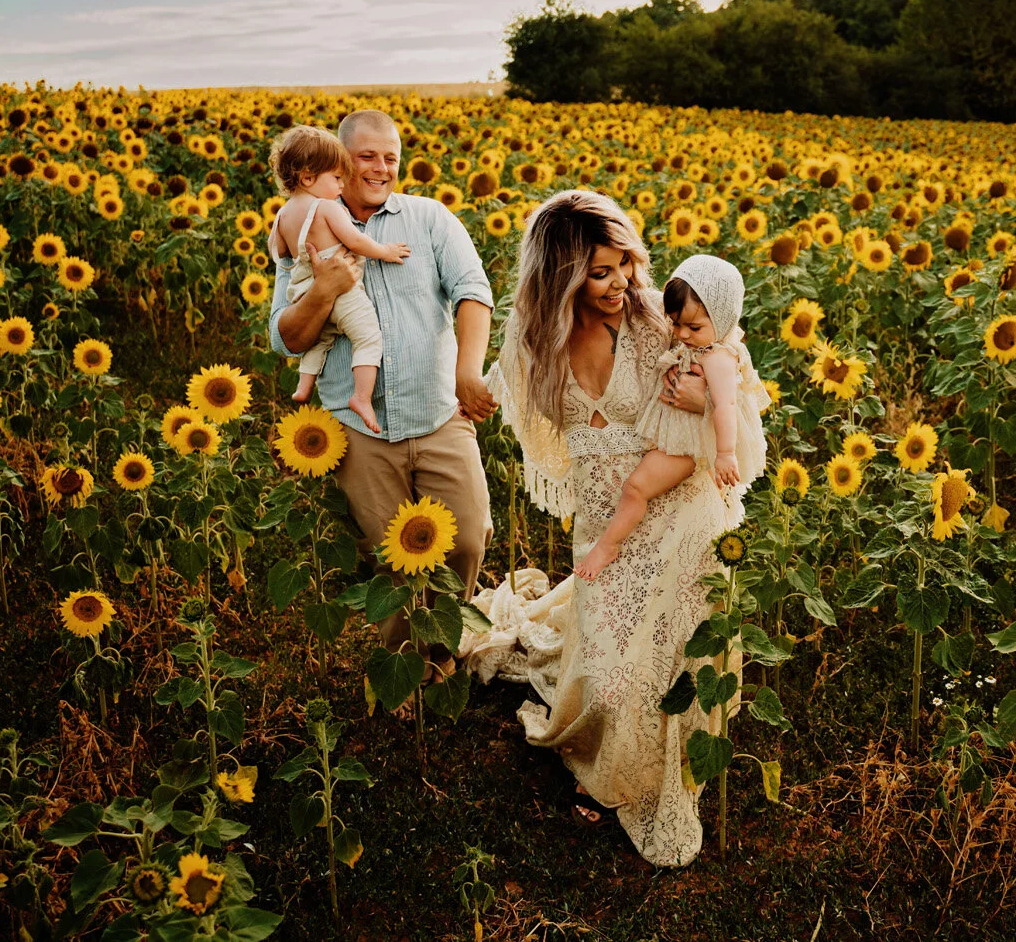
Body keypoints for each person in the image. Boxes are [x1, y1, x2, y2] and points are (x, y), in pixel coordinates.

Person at [485, 190, 730, 867]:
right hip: (604, 526)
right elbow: (503, 392)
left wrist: (704, 401)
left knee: (652, 673)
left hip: (677, 512)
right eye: (599, 272)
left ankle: (630, 779)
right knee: (603, 683)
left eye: (624, 263)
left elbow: (735, 384)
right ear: (560, 278)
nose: (621, 282)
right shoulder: (533, 341)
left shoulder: (656, 321)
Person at [268, 109, 495, 689]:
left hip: (438, 413)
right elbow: (285, 337)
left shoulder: (429, 218)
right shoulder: (306, 221)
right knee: (388, 560)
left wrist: (468, 371)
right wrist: (324, 290)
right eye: (367, 155)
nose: (381, 167)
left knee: (468, 536)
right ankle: (410, 674)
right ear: (339, 161)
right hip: (360, 430)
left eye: (390, 156)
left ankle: (442, 646)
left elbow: (473, 290)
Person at [573, 254, 768, 581]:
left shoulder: (719, 357)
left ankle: (608, 545)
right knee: (639, 488)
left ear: (722, 320)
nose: (683, 334)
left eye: (694, 327)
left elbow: (726, 405)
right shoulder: (702, 346)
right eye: (676, 324)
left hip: (688, 446)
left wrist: (724, 454)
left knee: (636, 488)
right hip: (678, 439)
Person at [265, 125, 411, 434]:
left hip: (304, 291)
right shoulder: (326, 207)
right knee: (368, 336)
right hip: (342, 288)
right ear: (308, 178)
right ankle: (361, 397)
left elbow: (280, 253)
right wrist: (385, 251)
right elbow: (355, 241)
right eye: (336, 178)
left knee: (321, 340)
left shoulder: (282, 215)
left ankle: (304, 386)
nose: (342, 186)